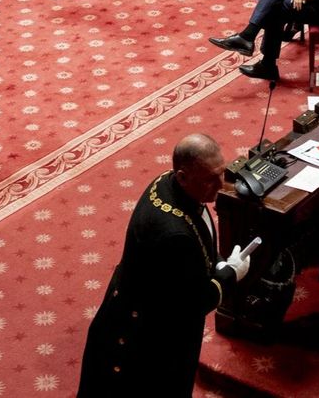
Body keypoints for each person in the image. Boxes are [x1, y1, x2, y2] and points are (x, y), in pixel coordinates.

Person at [78, 134, 253, 395]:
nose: (221, 184)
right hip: (148, 336)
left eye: (222, 173)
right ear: (182, 177)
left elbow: (198, 237)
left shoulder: (169, 183)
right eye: (210, 179)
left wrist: (216, 262)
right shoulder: (174, 235)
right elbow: (196, 302)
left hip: (141, 305)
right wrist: (230, 274)